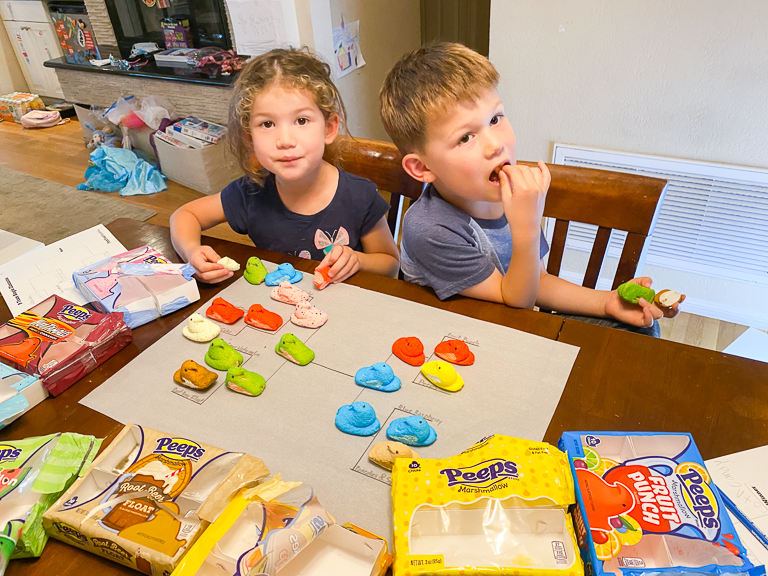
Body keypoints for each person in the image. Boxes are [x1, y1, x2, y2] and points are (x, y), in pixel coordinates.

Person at [379, 42, 682, 336]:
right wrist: (525, 228)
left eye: (495, 119)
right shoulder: (429, 227)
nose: (496, 144)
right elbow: (517, 301)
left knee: (639, 327)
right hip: (450, 337)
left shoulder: (508, 195)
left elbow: (538, 281)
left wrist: (606, 302)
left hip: (507, 324)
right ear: (423, 168)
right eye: (465, 138)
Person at [171, 48, 400, 284]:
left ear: (329, 128)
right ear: (250, 138)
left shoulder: (359, 196)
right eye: (267, 124)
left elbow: (390, 264)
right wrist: (191, 252)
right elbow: (184, 215)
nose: (285, 141)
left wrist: (358, 260)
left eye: (301, 120)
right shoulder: (250, 193)